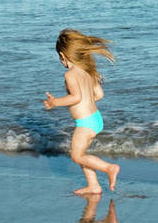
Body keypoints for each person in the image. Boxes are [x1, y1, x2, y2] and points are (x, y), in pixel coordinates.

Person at [43, 28, 120, 195]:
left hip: (85, 123)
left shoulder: (70, 75)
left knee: (76, 156)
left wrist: (55, 102)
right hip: (95, 119)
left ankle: (109, 168)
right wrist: (87, 101)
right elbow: (99, 94)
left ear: (63, 56)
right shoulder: (88, 72)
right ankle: (93, 185)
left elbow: (75, 97)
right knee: (82, 154)